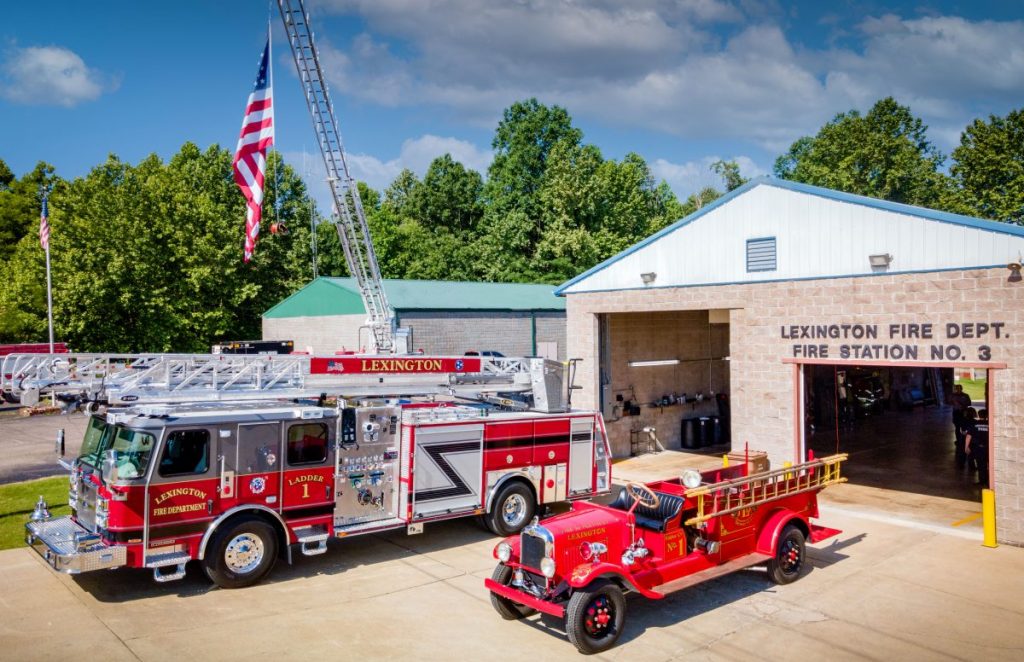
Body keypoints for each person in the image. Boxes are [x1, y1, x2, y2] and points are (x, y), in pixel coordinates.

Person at [965, 408, 990, 488]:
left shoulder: (974, 424)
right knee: (989, 464)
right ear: (987, 415)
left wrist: (966, 447)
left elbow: (968, 436)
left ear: (979, 415)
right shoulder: (990, 424)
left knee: (980, 465)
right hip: (988, 448)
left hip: (978, 448)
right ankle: (990, 480)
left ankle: (982, 481)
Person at [949, 385, 972, 468]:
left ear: (961, 389)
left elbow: (969, 403)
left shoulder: (965, 395)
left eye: (959, 388)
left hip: (963, 412)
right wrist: (954, 403)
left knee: (964, 427)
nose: (958, 390)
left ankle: (964, 440)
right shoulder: (953, 395)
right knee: (957, 427)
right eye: (956, 388)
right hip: (956, 412)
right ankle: (958, 440)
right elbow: (949, 402)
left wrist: (962, 404)